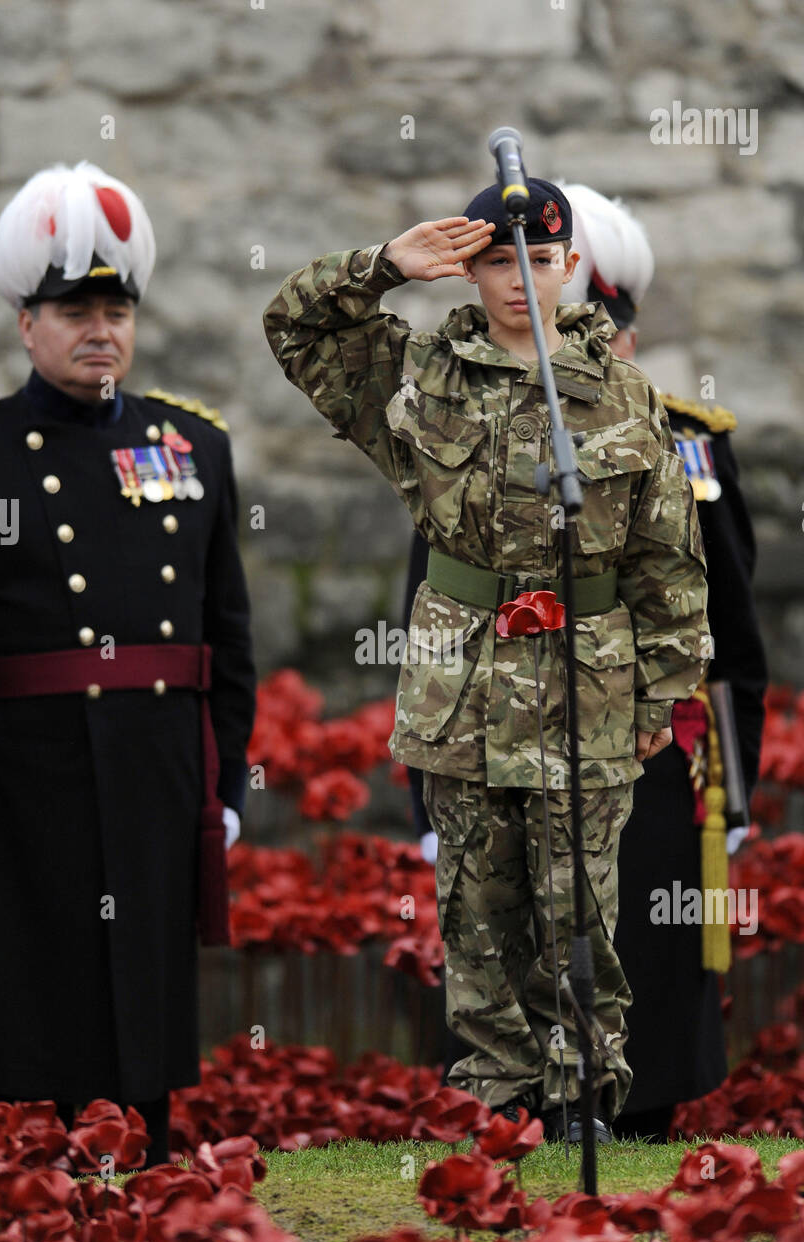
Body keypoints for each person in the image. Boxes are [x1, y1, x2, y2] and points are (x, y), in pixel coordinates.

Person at [264, 178, 711, 1142]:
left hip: (586, 684)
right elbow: (294, 330)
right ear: (469, 268)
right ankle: (498, 1106)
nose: (518, 280)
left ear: (568, 268)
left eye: (537, 262)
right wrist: (384, 265)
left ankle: (583, 1097)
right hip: (464, 682)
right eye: (498, 261)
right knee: (474, 903)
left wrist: (662, 696)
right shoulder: (420, 375)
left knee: (581, 900)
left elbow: (667, 563)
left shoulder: (622, 395)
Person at [403, 184, 767, 1137]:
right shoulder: (465, 422)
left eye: (606, 320)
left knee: (632, 938)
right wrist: (423, 798)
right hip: (496, 722)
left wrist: (734, 794)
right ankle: (518, 1111)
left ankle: (624, 1116)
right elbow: (441, 605)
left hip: (648, 740)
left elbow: (728, 633)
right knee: (505, 927)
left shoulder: (681, 441)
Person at [0, 162, 257, 1167]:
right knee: (37, 978)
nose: (102, 330)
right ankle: (37, 1200)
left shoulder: (195, 445)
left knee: (144, 978)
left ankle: (150, 1173)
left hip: (156, 770)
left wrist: (226, 783)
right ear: (26, 324)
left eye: (117, 309)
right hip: (20, 775)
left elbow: (229, 635)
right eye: (76, 309)